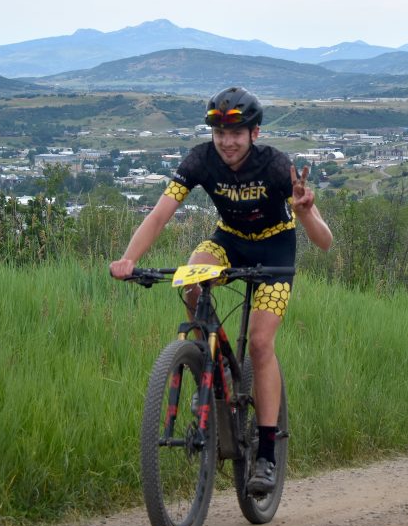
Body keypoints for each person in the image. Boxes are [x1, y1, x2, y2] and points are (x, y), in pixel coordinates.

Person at [110, 85, 332, 494]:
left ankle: (265, 455)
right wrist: (127, 260)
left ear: (255, 133)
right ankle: (210, 362)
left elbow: (325, 241)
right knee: (191, 280)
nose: (227, 142)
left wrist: (304, 213)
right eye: (220, 133)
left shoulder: (276, 166)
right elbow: (160, 215)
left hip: (274, 248)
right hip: (228, 240)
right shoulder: (199, 160)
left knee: (262, 343)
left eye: (237, 133)